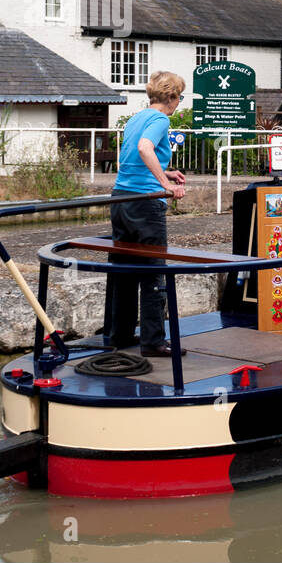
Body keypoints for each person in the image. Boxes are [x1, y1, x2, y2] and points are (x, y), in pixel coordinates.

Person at [110, 71, 188, 355]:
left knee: (124, 271)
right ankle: (153, 341)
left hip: (120, 199)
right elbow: (145, 148)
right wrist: (165, 184)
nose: (179, 102)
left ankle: (120, 334)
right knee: (154, 273)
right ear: (171, 98)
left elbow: (131, 160)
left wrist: (165, 170)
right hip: (145, 203)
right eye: (179, 97)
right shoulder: (160, 119)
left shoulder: (136, 118)